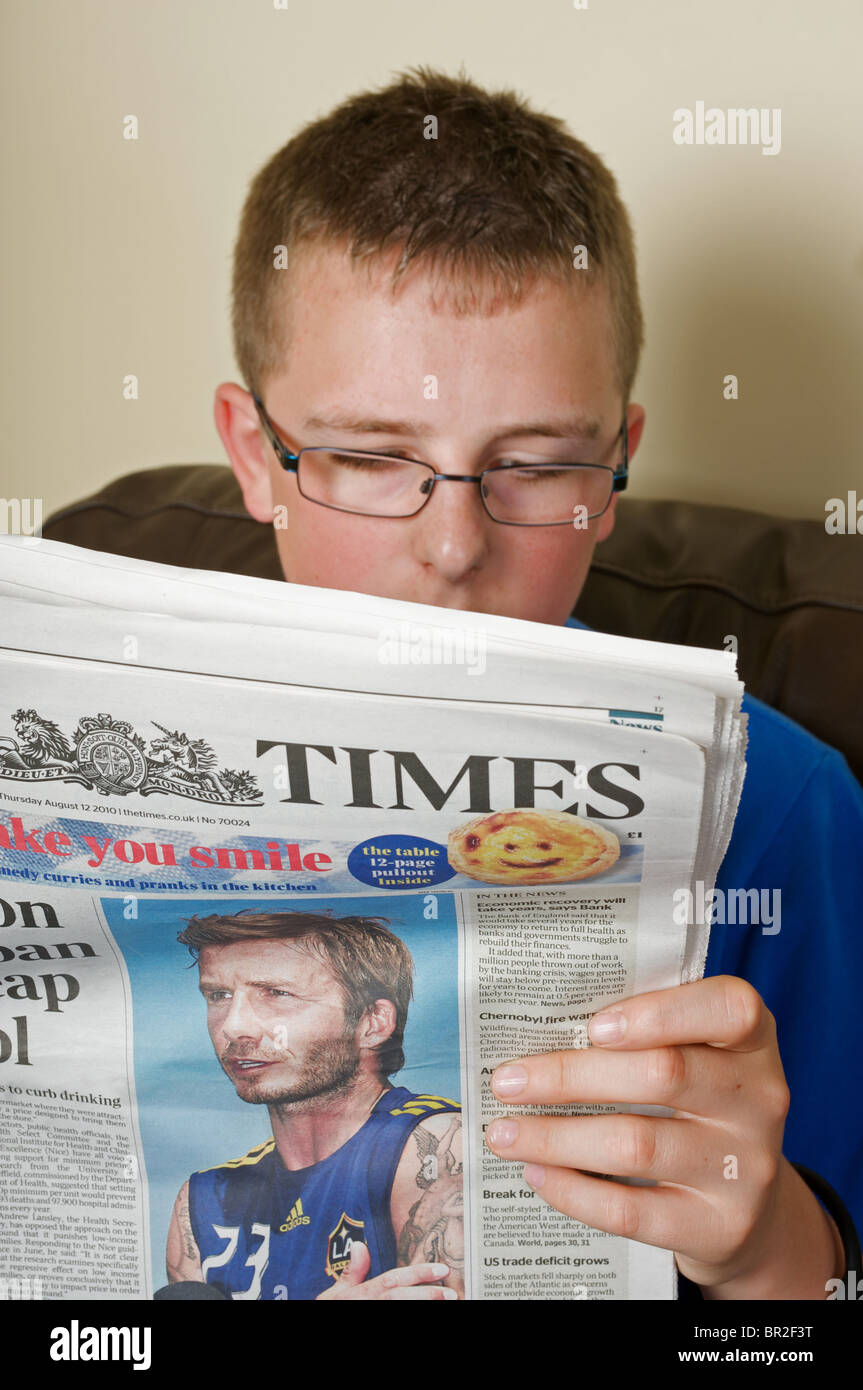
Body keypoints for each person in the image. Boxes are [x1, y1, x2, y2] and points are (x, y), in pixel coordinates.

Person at [212, 66, 863, 1300]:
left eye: (535, 463)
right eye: (363, 457)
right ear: (255, 455)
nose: (452, 548)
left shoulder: (782, 804)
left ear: (615, 464)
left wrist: (768, 1246)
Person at [165, 909, 463, 1300]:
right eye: (219, 995)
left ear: (373, 1022)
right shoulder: (204, 1199)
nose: (233, 1026)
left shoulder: (435, 1144)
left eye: (276, 993)